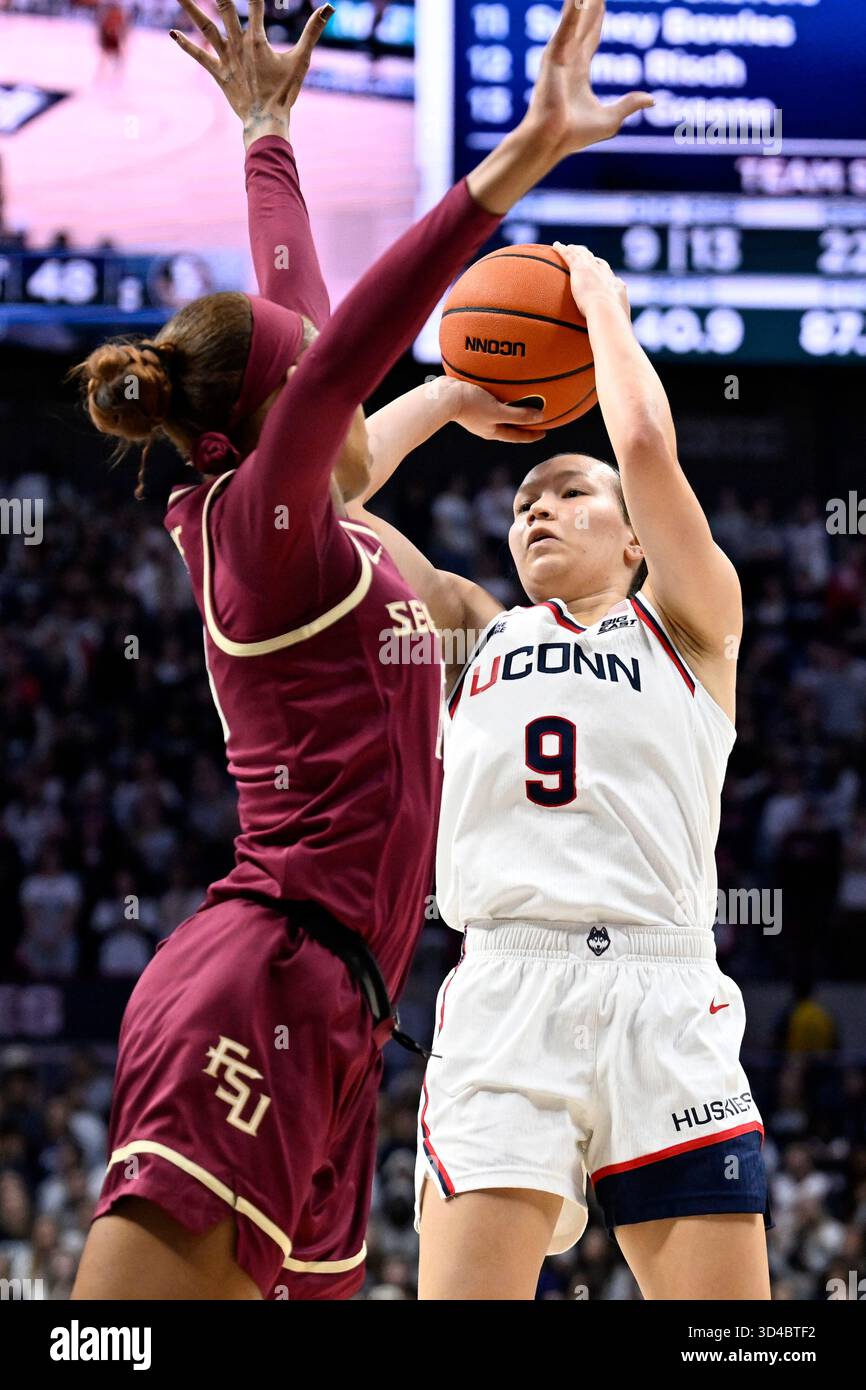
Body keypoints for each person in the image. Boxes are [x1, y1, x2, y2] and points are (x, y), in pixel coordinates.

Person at [69, 0, 652, 1300]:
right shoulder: (267, 534)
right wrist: (509, 172)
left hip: (342, 1008)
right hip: (253, 977)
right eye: (328, 385)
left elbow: (308, 328)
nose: (355, 387)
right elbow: (340, 349)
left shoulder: (300, 516)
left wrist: (267, 136)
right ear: (287, 416)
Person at [348, 242, 773, 1297]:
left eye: (567, 490)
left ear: (635, 538)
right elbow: (320, 497)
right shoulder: (465, 630)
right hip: (505, 987)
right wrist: (447, 393)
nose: (533, 506)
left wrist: (598, 301)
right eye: (521, 500)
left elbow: (637, 439)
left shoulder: (689, 624)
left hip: (663, 992)